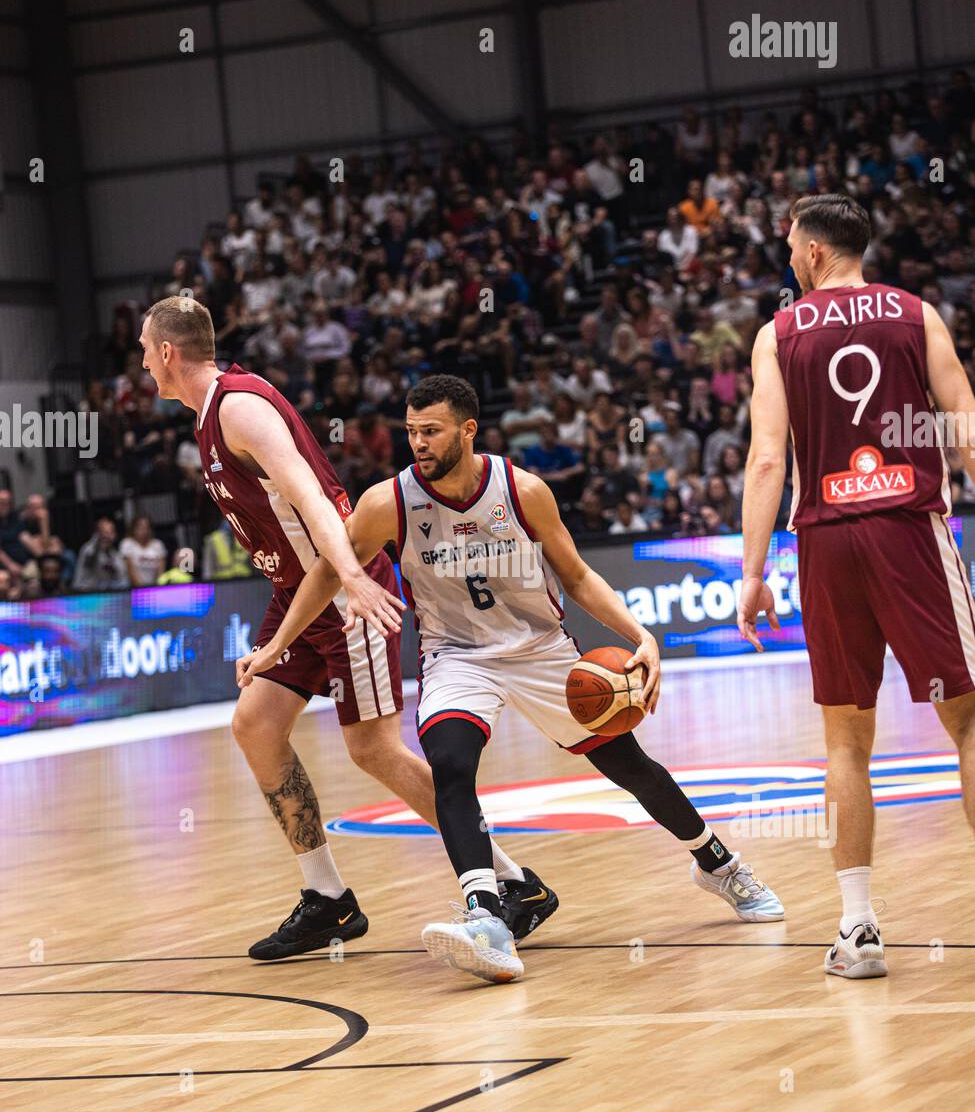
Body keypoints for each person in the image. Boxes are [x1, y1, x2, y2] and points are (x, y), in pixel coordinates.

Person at [242, 375, 783, 985]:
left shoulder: (523, 492)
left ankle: (716, 861)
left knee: (629, 766)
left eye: (432, 431)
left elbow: (576, 577)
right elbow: (326, 573)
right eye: (412, 431)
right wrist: (275, 646)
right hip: (457, 656)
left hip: (539, 650)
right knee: (448, 762)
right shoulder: (386, 502)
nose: (418, 443)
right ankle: (485, 915)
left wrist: (641, 636)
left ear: (468, 430)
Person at [139, 297, 536, 961]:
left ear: (169, 352)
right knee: (256, 726)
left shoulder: (239, 407)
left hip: (338, 586)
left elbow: (310, 494)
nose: (144, 361)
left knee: (372, 749)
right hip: (296, 591)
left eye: (147, 349)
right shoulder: (208, 417)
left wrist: (351, 574)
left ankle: (511, 882)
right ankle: (328, 899)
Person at [739, 193, 975, 981]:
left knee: (845, 737)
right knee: (968, 723)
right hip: (909, 526)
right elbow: (963, 419)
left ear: (809, 252)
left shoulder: (778, 334)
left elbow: (767, 459)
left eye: (787, 247)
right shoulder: (915, 313)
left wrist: (750, 573)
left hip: (826, 539)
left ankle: (858, 929)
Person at [73, 518, 128, 591]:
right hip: (84, 591)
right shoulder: (88, 549)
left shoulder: (113, 553)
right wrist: (98, 537)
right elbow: (90, 557)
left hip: (102, 591)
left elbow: (122, 575)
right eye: (104, 532)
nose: (107, 536)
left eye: (111, 533)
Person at [119, 515, 167, 587]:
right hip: (133, 588)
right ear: (133, 529)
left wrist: (158, 588)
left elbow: (161, 571)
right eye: (140, 527)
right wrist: (142, 589)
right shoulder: (127, 543)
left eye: (147, 527)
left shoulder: (157, 544)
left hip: (155, 587)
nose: (144, 531)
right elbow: (130, 570)